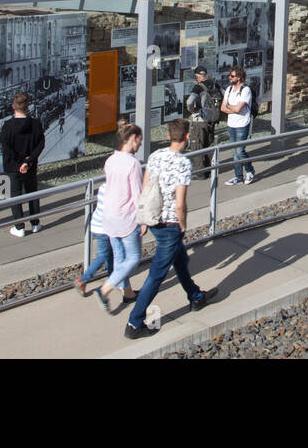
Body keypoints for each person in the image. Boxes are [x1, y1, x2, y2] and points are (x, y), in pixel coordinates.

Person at [123, 120, 218, 339]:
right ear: (187, 137)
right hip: (171, 225)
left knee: (181, 260)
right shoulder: (183, 164)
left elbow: (146, 187)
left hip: (155, 220)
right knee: (156, 275)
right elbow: (180, 202)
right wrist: (182, 224)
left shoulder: (155, 156)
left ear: (168, 135)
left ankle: (195, 296)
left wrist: (144, 219)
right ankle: (134, 323)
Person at [83, 123, 144, 309]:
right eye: (139, 141)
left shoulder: (110, 160)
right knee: (133, 258)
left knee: (119, 258)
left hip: (108, 218)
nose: (140, 145)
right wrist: (143, 220)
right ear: (133, 138)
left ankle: (127, 293)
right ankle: (105, 289)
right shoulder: (133, 164)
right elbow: (137, 195)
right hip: (125, 218)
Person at [1, 92, 45, 237]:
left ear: (13, 107)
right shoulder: (36, 124)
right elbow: (40, 144)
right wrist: (28, 161)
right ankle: (35, 223)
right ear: (27, 106)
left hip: (13, 167)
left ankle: (19, 227)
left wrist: (20, 163)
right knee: (32, 193)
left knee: (15, 195)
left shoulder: (8, 126)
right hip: (30, 166)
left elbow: (7, 148)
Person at [184, 67, 222, 178]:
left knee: (197, 145)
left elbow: (190, 101)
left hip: (200, 120)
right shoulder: (215, 84)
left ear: (197, 76)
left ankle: (200, 173)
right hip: (212, 119)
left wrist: (191, 110)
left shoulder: (198, 87)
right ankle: (211, 169)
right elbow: (225, 93)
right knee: (209, 144)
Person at [220, 68, 255, 185]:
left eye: (232, 76)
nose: (229, 77)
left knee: (240, 151)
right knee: (234, 153)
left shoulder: (245, 90)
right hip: (231, 124)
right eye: (230, 75)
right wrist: (233, 108)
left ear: (239, 78)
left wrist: (230, 106)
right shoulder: (229, 89)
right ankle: (238, 177)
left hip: (242, 124)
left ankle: (250, 171)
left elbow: (238, 108)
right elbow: (222, 108)